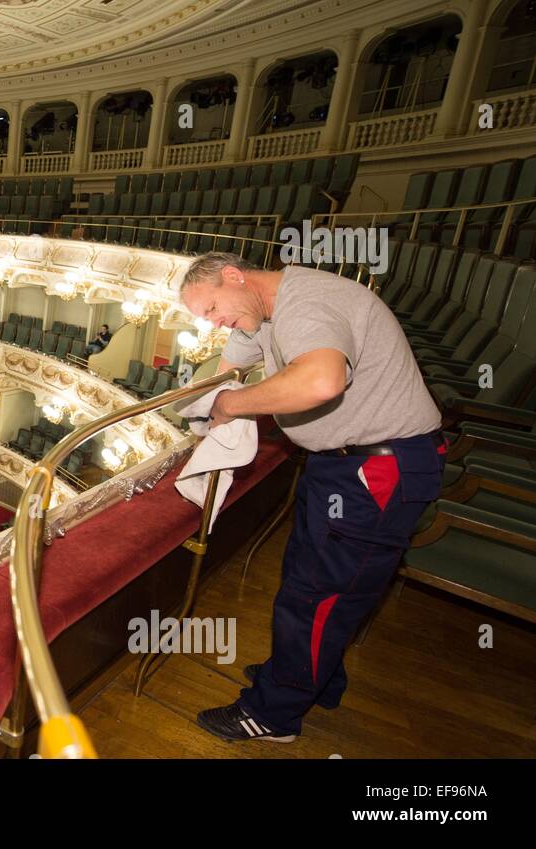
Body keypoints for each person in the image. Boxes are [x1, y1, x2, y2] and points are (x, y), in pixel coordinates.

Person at [177, 252, 444, 743]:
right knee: (311, 581)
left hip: (375, 468)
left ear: (234, 276)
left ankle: (274, 715)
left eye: (212, 307)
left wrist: (229, 405)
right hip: (342, 463)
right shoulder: (268, 306)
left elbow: (321, 380)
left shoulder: (307, 303)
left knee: (316, 597)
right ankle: (308, 678)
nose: (213, 323)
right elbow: (231, 360)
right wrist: (205, 399)